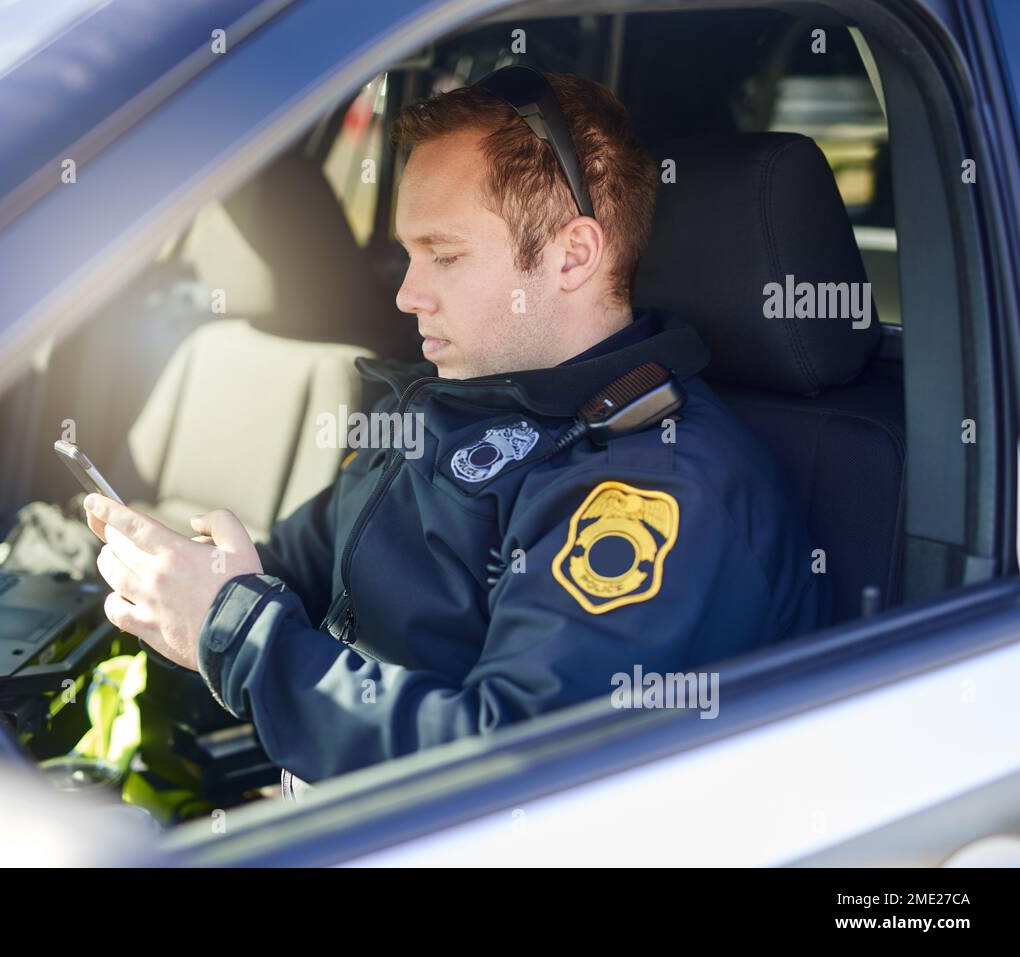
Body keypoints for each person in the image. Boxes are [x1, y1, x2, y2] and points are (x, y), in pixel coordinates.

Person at [82, 68, 827, 793]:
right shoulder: (453, 405)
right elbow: (308, 566)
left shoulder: (659, 485)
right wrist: (188, 579)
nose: (408, 294)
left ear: (573, 255)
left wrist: (237, 634)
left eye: (444, 255)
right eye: (409, 254)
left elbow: (511, 771)